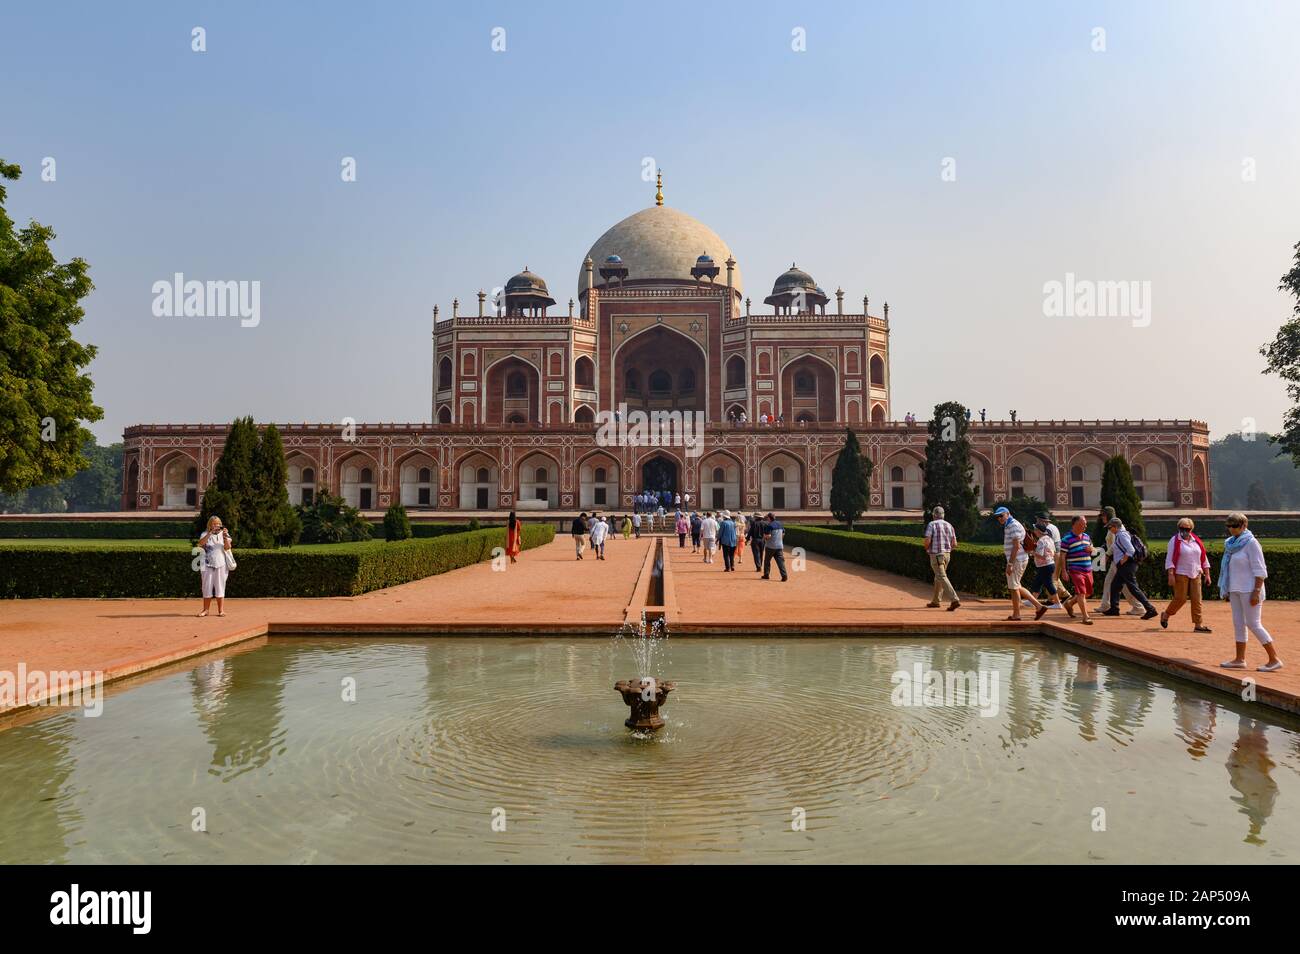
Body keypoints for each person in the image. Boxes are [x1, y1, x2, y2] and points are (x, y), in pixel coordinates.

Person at [1218, 513, 1282, 671]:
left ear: (1243, 526)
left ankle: (1274, 659)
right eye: (1229, 526)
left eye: (1234, 526)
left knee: (1253, 623)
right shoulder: (1230, 544)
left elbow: (1260, 570)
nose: (1230, 529)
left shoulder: (1252, 543)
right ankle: (1240, 659)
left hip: (1250, 589)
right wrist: (1227, 589)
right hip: (1235, 589)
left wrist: (1256, 591)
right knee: (1238, 624)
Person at [994, 506, 1045, 621]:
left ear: (1008, 514)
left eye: (1001, 516)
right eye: (998, 517)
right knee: (1016, 586)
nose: (999, 518)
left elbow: (1016, 546)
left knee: (1014, 587)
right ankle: (1039, 607)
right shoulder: (1009, 525)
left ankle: (1017, 615)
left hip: (1017, 560)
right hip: (1018, 559)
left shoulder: (1013, 525)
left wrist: (1010, 564)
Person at [1100, 517, 1158, 619]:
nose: (1109, 529)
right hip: (1124, 566)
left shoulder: (1122, 535)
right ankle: (1114, 609)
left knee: (1133, 588)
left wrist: (1124, 559)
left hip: (1127, 565)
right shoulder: (1119, 535)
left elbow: (1131, 549)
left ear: (1115, 527)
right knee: (1115, 586)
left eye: (1110, 527)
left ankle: (1150, 609)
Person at [1161, 517, 1212, 633]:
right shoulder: (1174, 540)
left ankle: (1198, 625)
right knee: (1180, 599)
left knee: (1197, 599)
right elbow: (1169, 559)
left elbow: (1203, 558)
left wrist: (1207, 574)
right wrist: (1170, 574)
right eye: (1181, 528)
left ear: (1191, 529)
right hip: (1180, 573)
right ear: (1178, 528)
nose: (1184, 530)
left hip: (1196, 572)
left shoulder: (1197, 541)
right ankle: (1166, 614)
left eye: (1187, 529)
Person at [1097, 506, 1143, 615]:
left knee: (1125, 586)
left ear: (1108, 515)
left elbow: (1115, 546)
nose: (1102, 517)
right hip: (1116, 561)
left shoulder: (1116, 529)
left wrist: (1108, 555)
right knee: (1109, 582)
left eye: (1103, 515)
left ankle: (1139, 606)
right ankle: (1105, 605)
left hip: (1119, 561)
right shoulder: (1112, 528)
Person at [1058, 516, 1095, 624]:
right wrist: (1064, 571)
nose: (1085, 526)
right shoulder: (1066, 539)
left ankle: (1069, 604)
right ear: (1075, 524)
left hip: (1088, 569)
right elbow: (1062, 556)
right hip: (1075, 570)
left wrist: (1091, 549)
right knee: (1081, 593)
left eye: (1086, 524)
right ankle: (1085, 616)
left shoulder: (1087, 537)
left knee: (1087, 593)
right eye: (1083, 524)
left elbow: (1092, 549)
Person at [923, 505, 960, 611]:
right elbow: (955, 543)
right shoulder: (949, 525)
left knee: (941, 576)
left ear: (934, 515)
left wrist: (926, 548)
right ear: (943, 515)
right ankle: (936, 601)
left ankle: (954, 599)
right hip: (947, 555)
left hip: (937, 555)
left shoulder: (932, 524)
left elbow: (927, 540)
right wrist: (947, 550)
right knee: (938, 577)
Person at [197, 515, 232, 617]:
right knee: (206, 587)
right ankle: (205, 610)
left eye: (218, 523)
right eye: (214, 523)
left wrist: (225, 537)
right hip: (207, 564)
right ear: (210, 525)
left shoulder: (225, 534)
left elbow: (227, 547)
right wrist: (210, 533)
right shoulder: (205, 534)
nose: (217, 525)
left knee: (220, 587)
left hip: (221, 564)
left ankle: (221, 610)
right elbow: (200, 543)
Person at [1028, 526, 1062, 614]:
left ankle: (1058, 603)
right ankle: (1032, 600)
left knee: (1048, 584)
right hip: (1050, 564)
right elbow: (1053, 552)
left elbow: (1041, 555)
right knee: (1038, 583)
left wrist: (1031, 552)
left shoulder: (1041, 541)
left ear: (1039, 531)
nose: (1034, 531)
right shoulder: (1049, 539)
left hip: (1045, 566)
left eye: (1035, 529)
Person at [762, 512, 788, 581]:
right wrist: (779, 540)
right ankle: (784, 575)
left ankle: (766, 575)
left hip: (770, 546)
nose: (767, 519)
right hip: (779, 546)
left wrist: (764, 537)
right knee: (780, 562)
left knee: (767, 561)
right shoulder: (780, 524)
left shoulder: (769, 525)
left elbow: (769, 536)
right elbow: (783, 533)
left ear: (769, 518)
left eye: (767, 517)